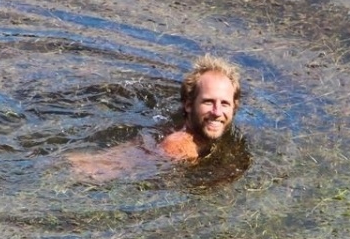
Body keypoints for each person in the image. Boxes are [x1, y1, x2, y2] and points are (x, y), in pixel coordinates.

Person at [67, 55, 245, 181]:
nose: (216, 112)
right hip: (88, 176)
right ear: (189, 105)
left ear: (234, 107)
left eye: (224, 104)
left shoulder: (178, 128)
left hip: (82, 162)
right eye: (208, 102)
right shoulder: (182, 148)